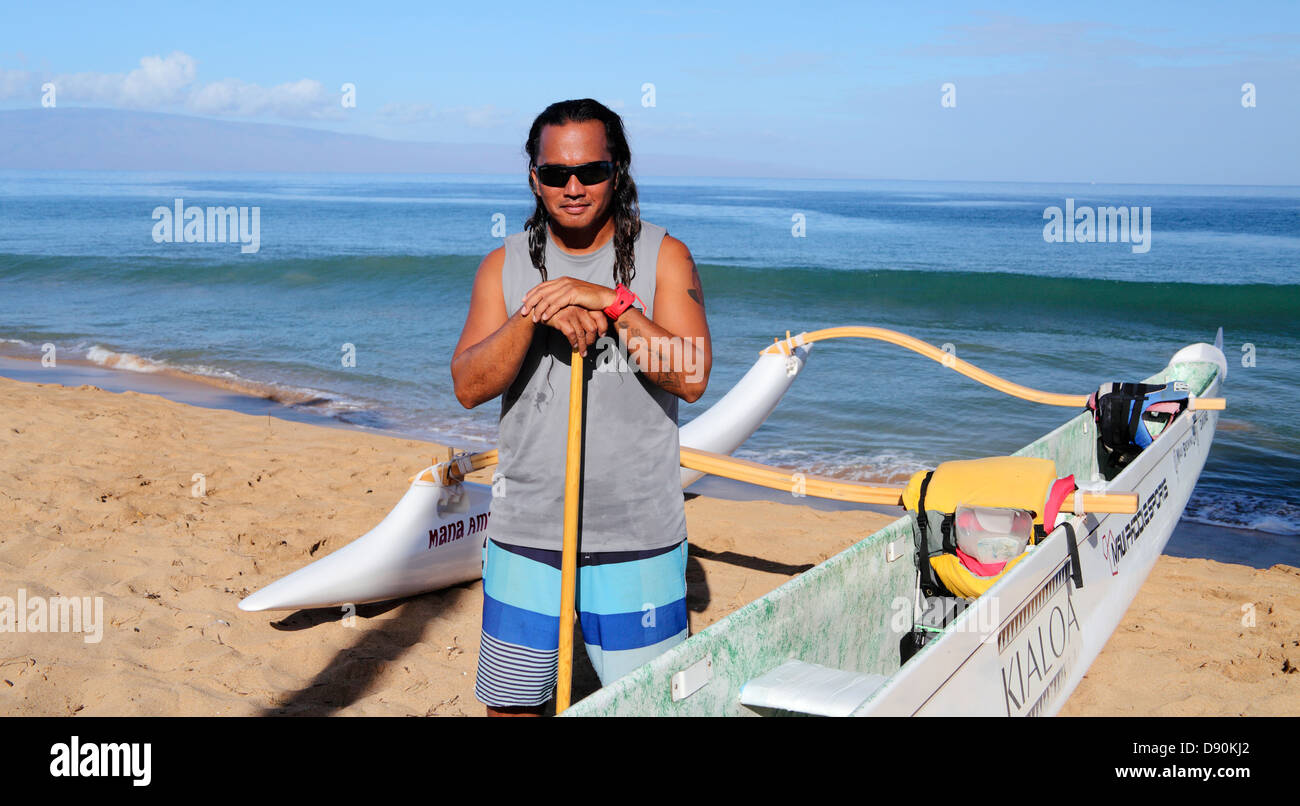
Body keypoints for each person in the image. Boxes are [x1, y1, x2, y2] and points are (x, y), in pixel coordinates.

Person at [450, 98, 711, 716]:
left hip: (637, 534)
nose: (574, 187)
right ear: (533, 177)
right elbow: (467, 384)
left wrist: (614, 304)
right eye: (557, 173)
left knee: (645, 707)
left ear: (616, 171)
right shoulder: (505, 265)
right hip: (526, 532)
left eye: (591, 171)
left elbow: (693, 377)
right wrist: (534, 311)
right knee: (510, 707)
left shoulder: (663, 256)